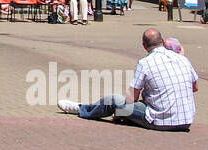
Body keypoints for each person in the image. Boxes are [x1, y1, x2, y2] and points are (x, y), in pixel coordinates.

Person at [56, 28, 197, 130]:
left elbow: (131, 99)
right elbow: (194, 88)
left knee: (113, 101)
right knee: (137, 104)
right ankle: (125, 114)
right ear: (163, 41)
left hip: (160, 120)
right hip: (186, 120)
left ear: (144, 46)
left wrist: (122, 112)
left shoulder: (145, 63)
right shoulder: (182, 59)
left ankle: (82, 109)